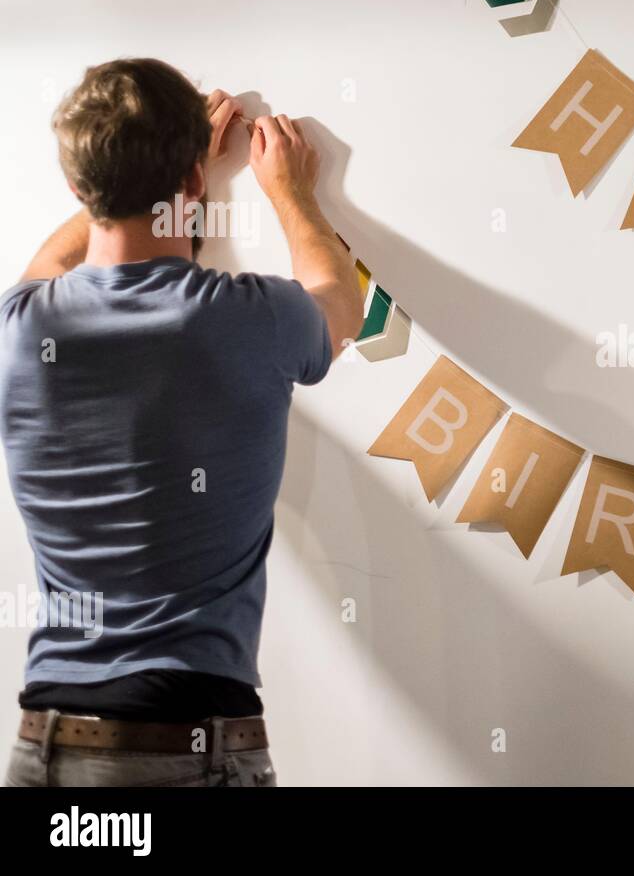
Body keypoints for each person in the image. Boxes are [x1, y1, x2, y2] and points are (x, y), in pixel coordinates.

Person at [0, 58, 363, 786]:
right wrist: (291, 196)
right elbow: (339, 300)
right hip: (182, 749)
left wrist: (129, 168)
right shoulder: (249, 318)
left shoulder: (18, 331)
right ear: (197, 182)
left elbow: (44, 264)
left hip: (43, 752)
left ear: (76, 187)